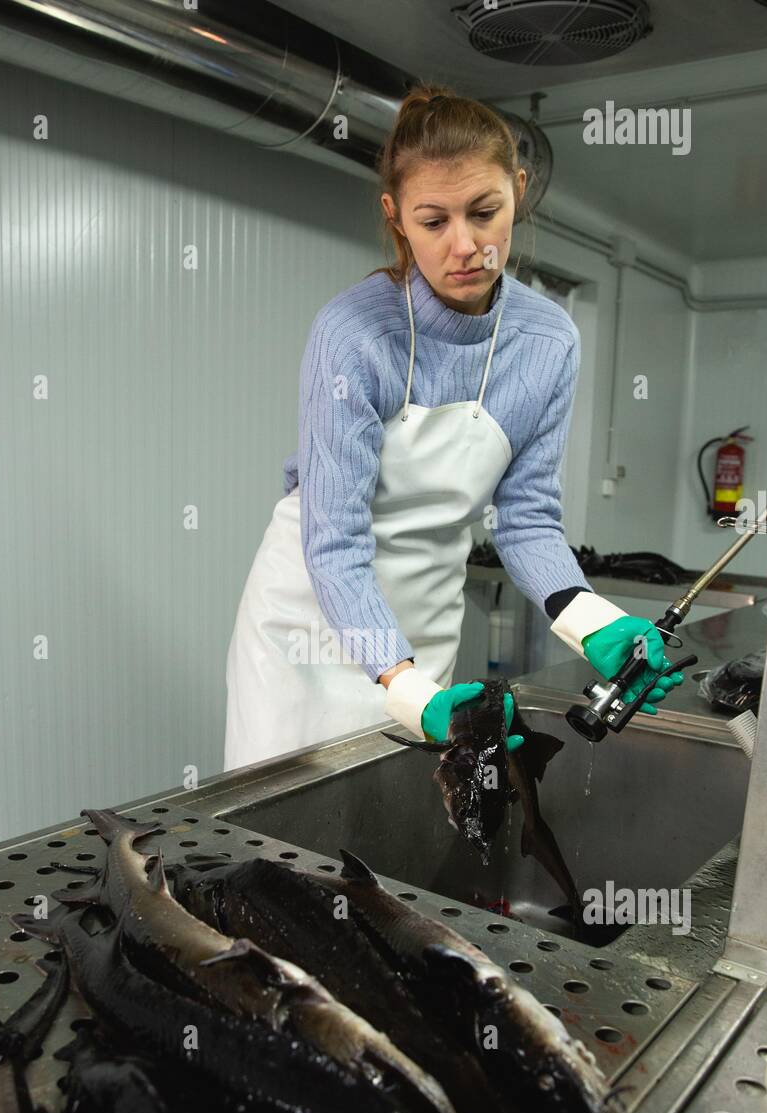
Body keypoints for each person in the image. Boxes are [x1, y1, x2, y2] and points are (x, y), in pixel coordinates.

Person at [223, 83, 681, 771]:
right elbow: (334, 540)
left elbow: (525, 520)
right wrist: (403, 685)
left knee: (388, 836)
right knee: (281, 842)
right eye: (434, 222)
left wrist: (596, 623)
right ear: (396, 217)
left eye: (485, 212)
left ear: (518, 191)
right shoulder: (351, 334)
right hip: (306, 627)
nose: (465, 246)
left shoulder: (548, 340)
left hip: (423, 618)